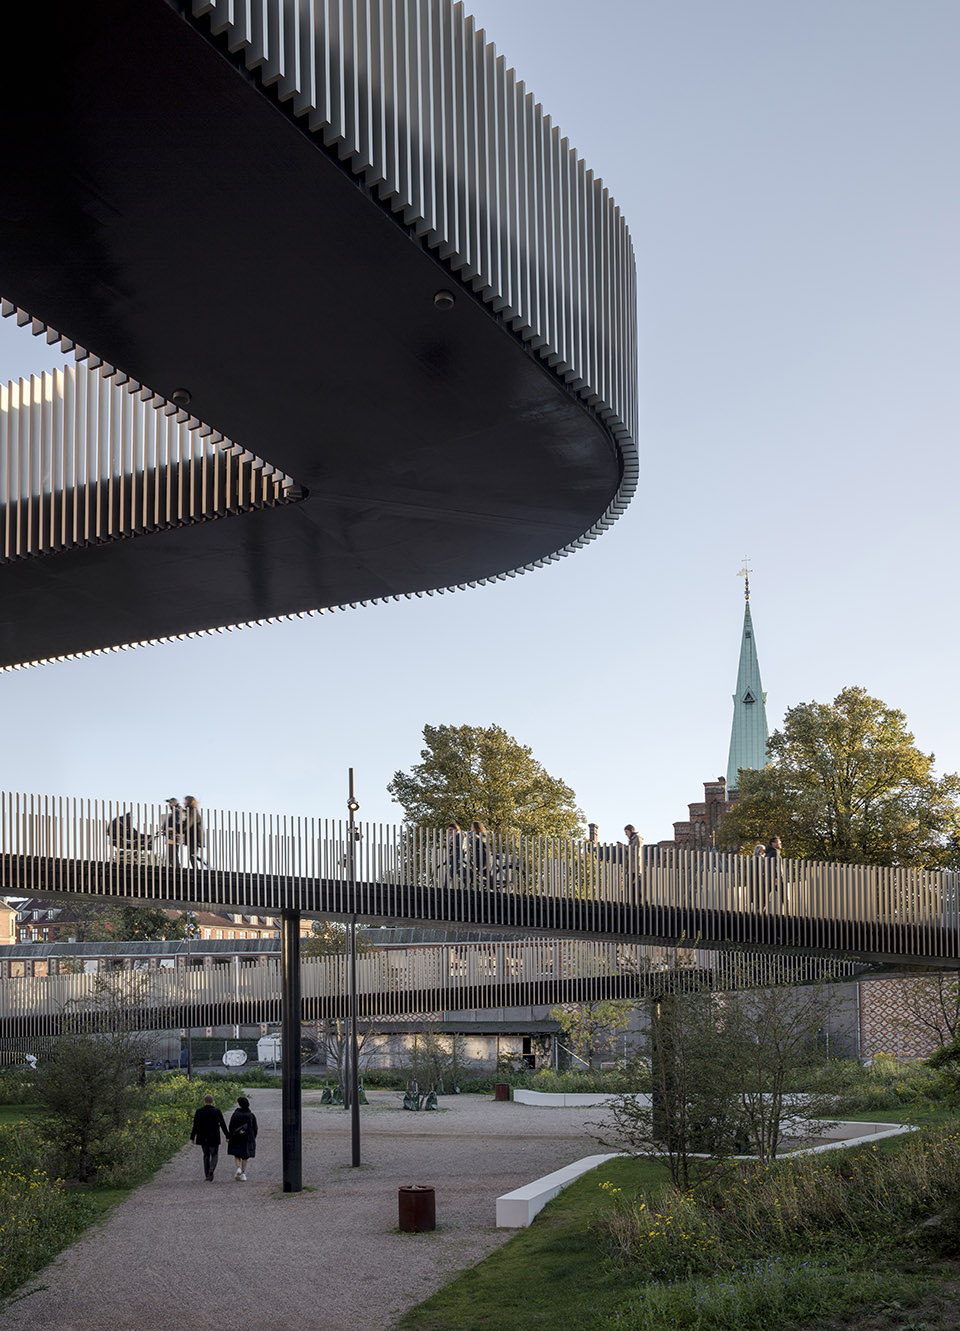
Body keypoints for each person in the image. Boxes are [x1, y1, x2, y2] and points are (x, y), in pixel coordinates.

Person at [190, 1092, 228, 1182]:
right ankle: (212, 1169)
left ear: (204, 1101)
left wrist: (192, 1137)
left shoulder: (199, 1111)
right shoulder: (217, 1111)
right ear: (212, 1102)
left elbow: (195, 1125)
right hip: (214, 1136)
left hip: (203, 1137)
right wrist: (227, 1135)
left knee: (206, 1155)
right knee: (214, 1154)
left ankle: (207, 1174)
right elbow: (223, 1124)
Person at [227, 1094, 258, 1181]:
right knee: (245, 1156)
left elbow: (231, 1126)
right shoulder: (251, 1115)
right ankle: (243, 1174)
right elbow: (255, 1128)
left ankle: (238, 1168)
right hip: (247, 1138)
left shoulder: (235, 1114)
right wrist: (253, 1137)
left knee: (237, 1154)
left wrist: (229, 1136)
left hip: (236, 1137)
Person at [441, 823, 464, 890]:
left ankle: (445, 888)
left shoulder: (459, 835)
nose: (450, 831)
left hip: (458, 856)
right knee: (461, 873)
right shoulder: (452, 837)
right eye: (449, 830)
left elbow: (460, 845)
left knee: (450, 873)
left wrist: (449, 843)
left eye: (451, 829)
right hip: (453, 856)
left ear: (456, 829)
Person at [183, 795, 204, 868]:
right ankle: (199, 867)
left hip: (194, 837)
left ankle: (196, 871)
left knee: (192, 855)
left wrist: (179, 829)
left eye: (185, 801)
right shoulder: (191, 811)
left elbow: (189, 823)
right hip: (193, 837)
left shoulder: (192, 811)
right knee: (192, 855)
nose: (184, 802)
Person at [469, 819, 490, 888]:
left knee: (474, 872)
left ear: (475, 827)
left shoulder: (483, 835)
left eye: (472, 826)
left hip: (482, 856)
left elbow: (483, 841)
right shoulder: (472, 835)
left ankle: (470, 887)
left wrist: (478, 838)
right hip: (477, 856)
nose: (471, 827)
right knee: (486, 874)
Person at [164, 798, 184, 869]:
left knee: (172, 854)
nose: (169, 804)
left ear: (175, 803)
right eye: (169, 803)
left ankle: (176, 870)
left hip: (173, 836)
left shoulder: (177, 811)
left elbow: (177, 823)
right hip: (172, 836)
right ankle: (176, 868)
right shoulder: (175, 812)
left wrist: (171, 828)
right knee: (172, 855)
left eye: (171, 803)